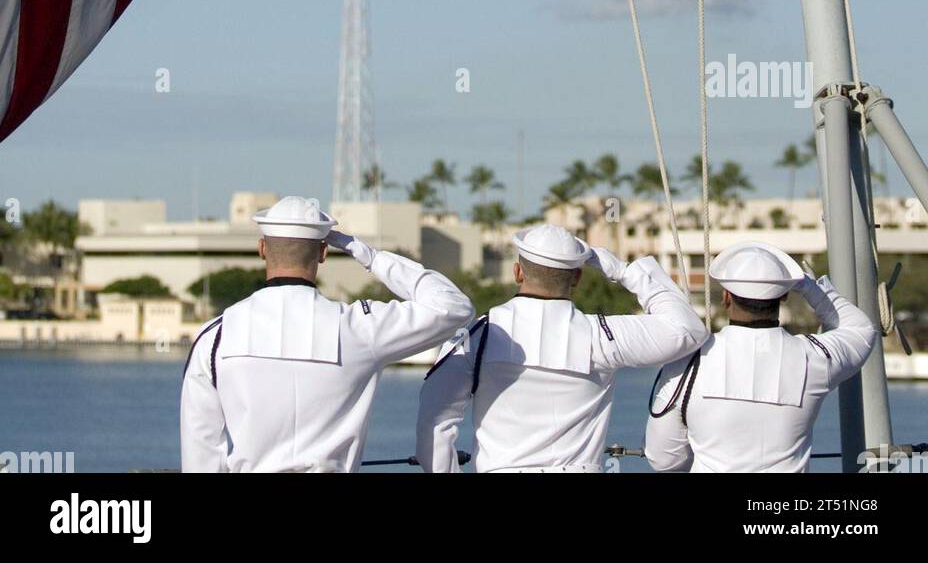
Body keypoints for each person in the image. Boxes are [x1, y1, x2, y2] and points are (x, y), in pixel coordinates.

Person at [180, 195, 474, 472]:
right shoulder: (358, 328)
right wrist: (366, 254)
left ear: (262, 248)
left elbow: (201, 451)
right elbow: (453, 306)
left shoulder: (216, 337)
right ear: (323, 253)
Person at [416, 222, 708, 473]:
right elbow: (687, 329)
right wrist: (622, 270)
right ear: (577, 278)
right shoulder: (602, 335)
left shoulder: (479, 336)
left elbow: (435, 421)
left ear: (518, 272)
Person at [645, 241, 877, 474]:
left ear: (726, 297)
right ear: (784, 295)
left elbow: (663, 460)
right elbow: (862, 331)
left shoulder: (688, 362)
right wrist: (809, 286)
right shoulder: (814, 358)